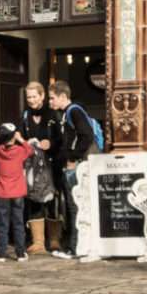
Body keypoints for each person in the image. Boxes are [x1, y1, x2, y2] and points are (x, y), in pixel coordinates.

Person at [46, 79, 95, 259]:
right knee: (73, 207)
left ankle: (75, 248)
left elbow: (87, 136)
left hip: (76, 167)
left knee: (75, 207)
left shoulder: (74, 111)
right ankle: (75, 246)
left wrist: (73, 158)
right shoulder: (68, 113)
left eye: (52, 98)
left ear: (63, 96)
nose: (50, 102)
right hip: (72, 166)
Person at [18, 81, 58, 253]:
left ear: (42, 96)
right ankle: (38, 242)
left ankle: (55, 240)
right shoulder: (25, 114)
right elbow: (20, 135)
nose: (31, 100)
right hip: (32, 164)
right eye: (29, 97)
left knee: (52, 200)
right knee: (34, 199)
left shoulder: (52, 113)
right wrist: (23, 141)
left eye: (34, 96)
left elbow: (61, 138)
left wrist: (51, 143)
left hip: (51, 163)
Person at [0, 121, 31, 262]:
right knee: (18, 223)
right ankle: (20, 253)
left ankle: (1, 253)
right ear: (13, 137)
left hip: (2, 193)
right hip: (17, 192)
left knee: (2, 224)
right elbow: (30, 150)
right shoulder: (19, 151)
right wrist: (21, 139)